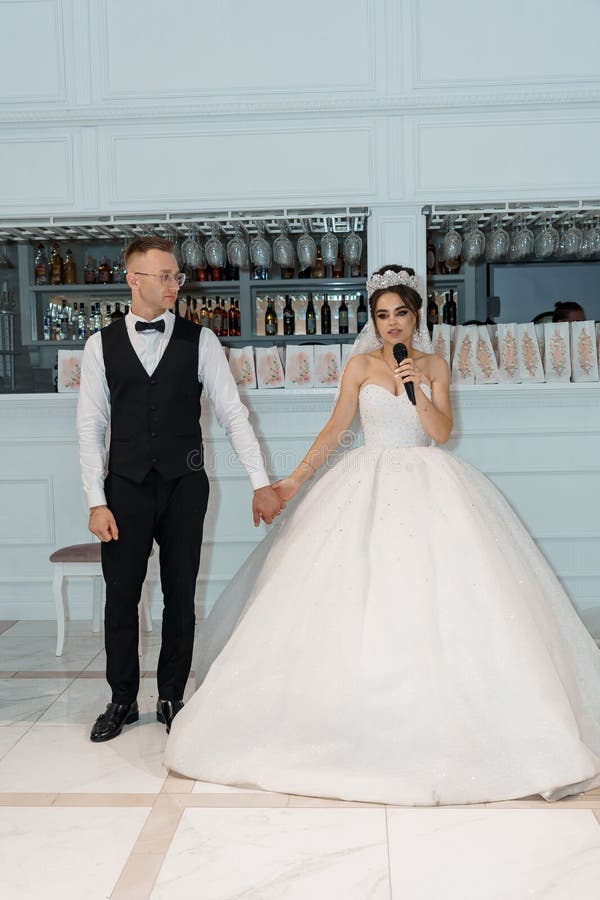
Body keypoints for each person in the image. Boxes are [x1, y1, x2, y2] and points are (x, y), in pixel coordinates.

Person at [165, 265, 600, 806]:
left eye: (400, 313)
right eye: (382, 314)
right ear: (373, 321)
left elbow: (442, 433)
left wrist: (418, 389)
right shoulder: (361, 366)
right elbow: (336, 429)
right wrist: (292, 483)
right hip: (364, 480)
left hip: (429, 481)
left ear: (416, 316)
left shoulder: (436, 365)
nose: (392, 323)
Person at [77, 235, 283, 743]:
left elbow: (233, 413)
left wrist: (260, 482)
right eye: (164, 275)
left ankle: (172, 694)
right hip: (122, 490)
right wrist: (95, 501)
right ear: (134, 280)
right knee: (121, 598)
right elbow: (89, 427)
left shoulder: (202, 340)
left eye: (176, 276)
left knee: (179, 595)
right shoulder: (99, 345)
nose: (174, 284)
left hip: (184, 487)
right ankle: (121, 698)